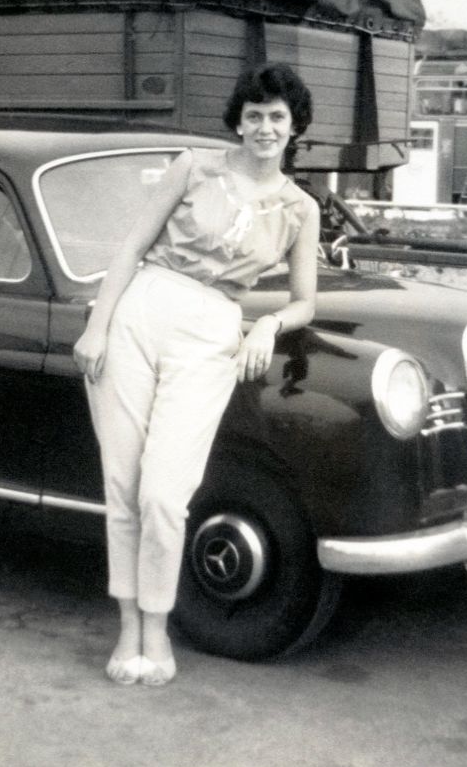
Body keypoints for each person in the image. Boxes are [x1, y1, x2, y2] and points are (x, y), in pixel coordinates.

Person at [73, 63, 320, 686]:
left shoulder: (300, 208)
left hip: (214, 329)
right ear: (238, 120)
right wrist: (98, 327)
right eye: (255, 115)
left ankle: (160, 628)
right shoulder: (193, 167)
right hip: (139, 311)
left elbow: (304, 302)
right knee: (123, 485)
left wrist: (266, 327)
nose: (265, 127)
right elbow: (131, 246)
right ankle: (130, 627)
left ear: (294, 128)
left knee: (163, 493)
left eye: (278, 117)